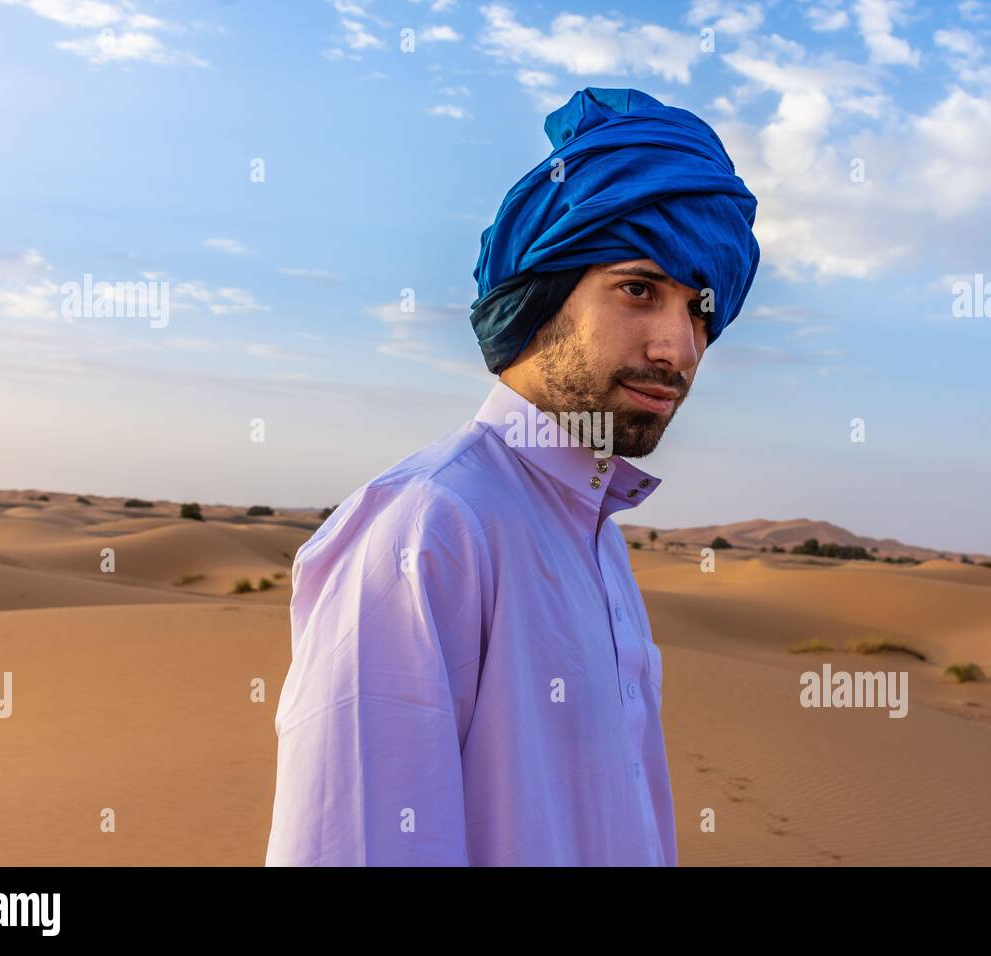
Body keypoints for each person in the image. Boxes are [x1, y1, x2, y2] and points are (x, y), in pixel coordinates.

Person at [265, 87, 760, 866]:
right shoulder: (428, 526)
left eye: (701, 309)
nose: (679, 348)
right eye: (638, 289)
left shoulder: (600, 542)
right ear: (541, 295)